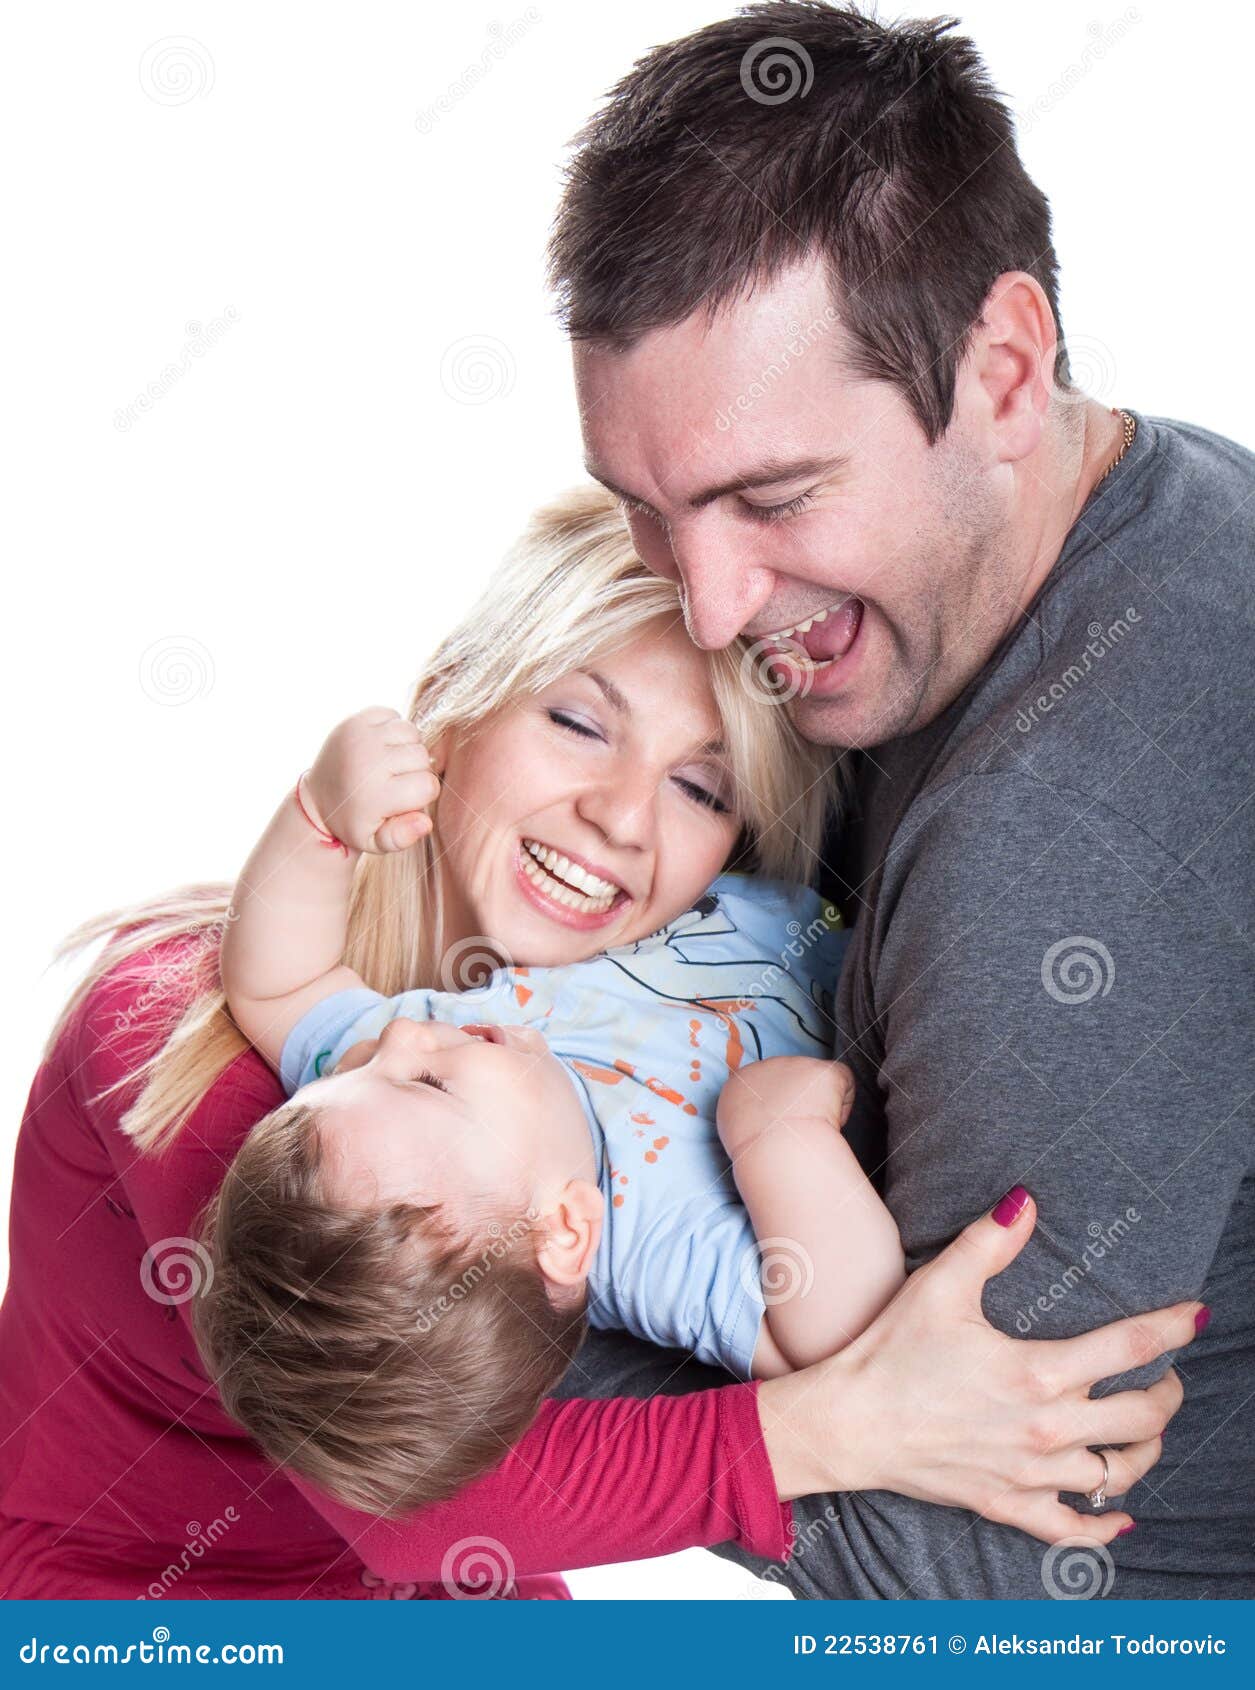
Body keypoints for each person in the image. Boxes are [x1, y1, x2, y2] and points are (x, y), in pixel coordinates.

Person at [0, 488, 1197, 1599]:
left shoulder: (602, 1048)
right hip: (140, 1590)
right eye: (580, 721)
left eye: (698, 789)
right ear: (453, 706)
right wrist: (860, 1416)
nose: (622, 817)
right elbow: (410, 1511)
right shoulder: (192, 1040)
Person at [552, 2, 1255, 1597]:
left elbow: (947, 1574)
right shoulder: (1116, 502)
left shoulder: (1055, 848)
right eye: (647, 512)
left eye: (774, 498)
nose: (713, 609)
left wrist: (418, 1261)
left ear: (1002, 368)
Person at [199, 697, 904, 1516]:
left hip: (760, 875)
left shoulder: (412, 1077)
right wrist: (781, 1139)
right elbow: (835, 1331)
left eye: (356, 1068)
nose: (401, 1039)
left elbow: (275, 982)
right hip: (861, 939)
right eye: (427, 1083)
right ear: (564, 1231)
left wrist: (319, 819)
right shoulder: (649, 1246)